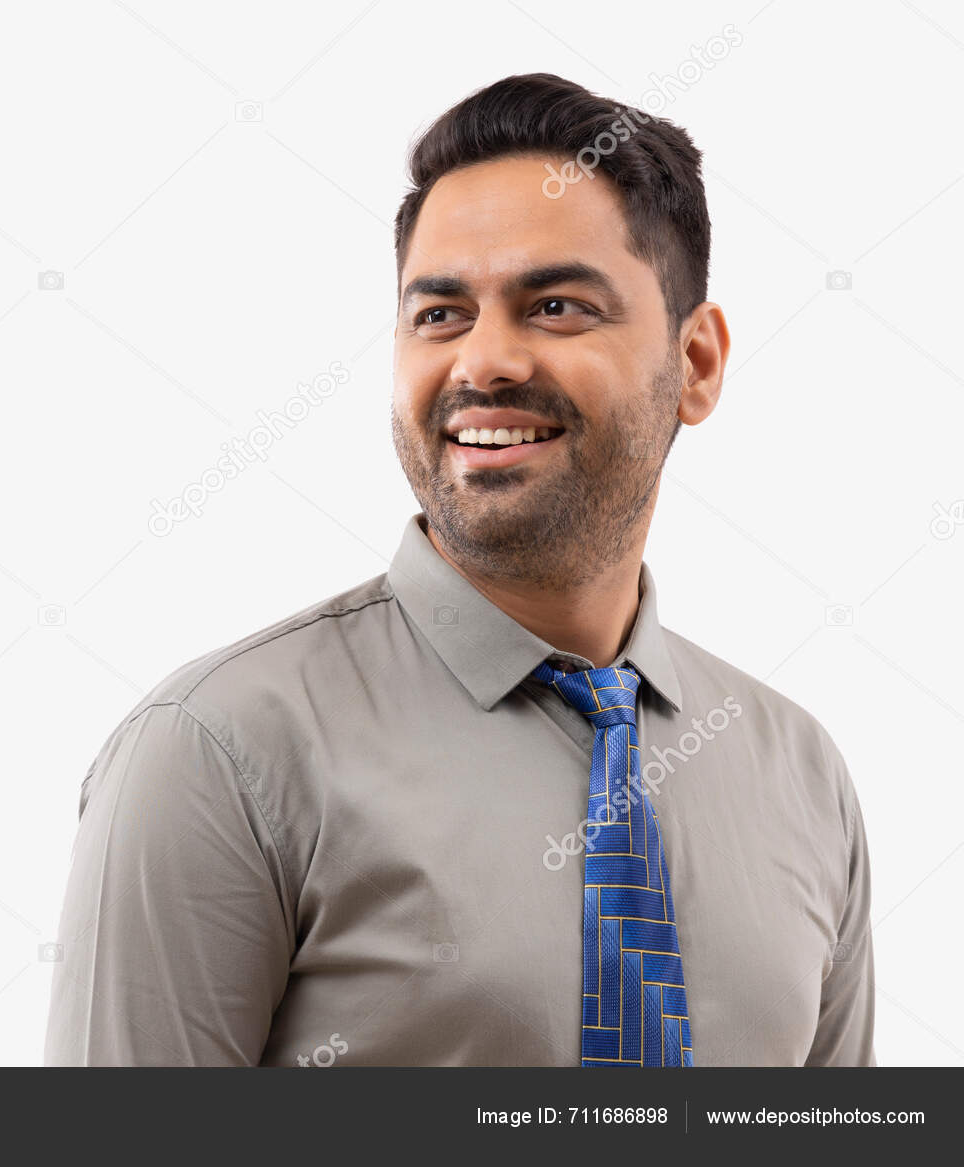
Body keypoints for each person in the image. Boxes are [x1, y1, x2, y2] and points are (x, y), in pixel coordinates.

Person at [44, 73, 874, 1067]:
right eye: (438, 315)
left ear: (693, 364)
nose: (482, 363)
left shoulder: (800, 777)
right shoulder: (219, 754)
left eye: (556, 305)